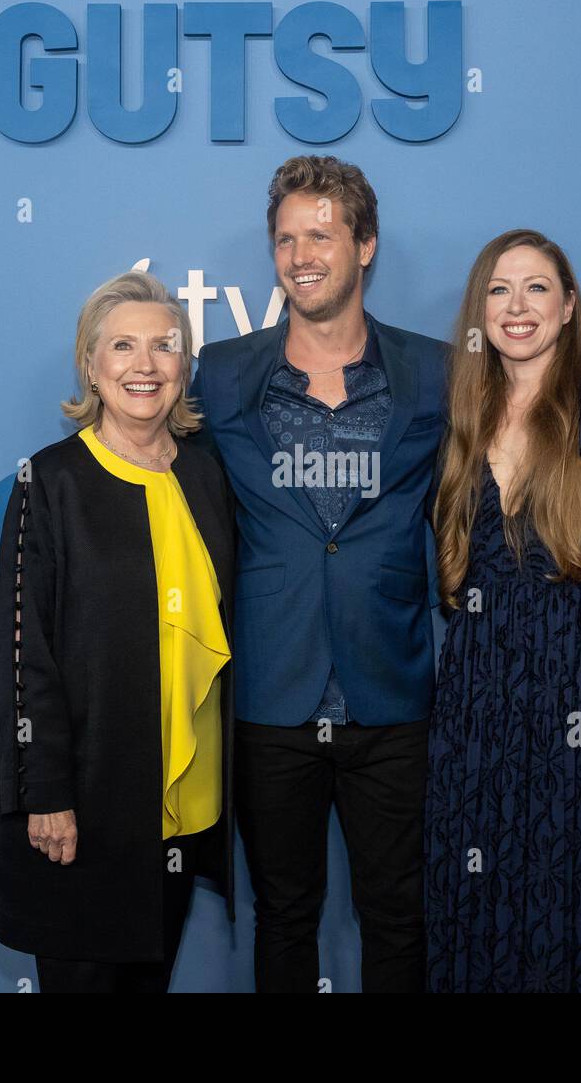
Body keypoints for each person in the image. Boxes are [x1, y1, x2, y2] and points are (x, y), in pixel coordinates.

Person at [190, 155, 448, 992]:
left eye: (322, 235)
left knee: (398, 918)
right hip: (273, 691)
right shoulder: (223, 374)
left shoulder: (437, 373)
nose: (302, 254)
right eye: (286, 239)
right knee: (284, 918)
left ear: (365, 245)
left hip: (392, 693)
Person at [425, 229, 581, 992]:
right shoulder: (462, 415)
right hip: (477, 688)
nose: (517, 306)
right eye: (500, 290)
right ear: (481, 311)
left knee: (578, 880)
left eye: (538, 288)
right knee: (483, 886)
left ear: (568, 307)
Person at [0, 270, 237, 993]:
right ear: (91, 365)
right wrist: (45, 792)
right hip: (84, 806)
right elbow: (25, 655)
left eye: (165, 346)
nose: (145, 365)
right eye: (122, 346)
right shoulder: (49, 481)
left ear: (185, 366)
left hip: (182, 806)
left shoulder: (205, 474)